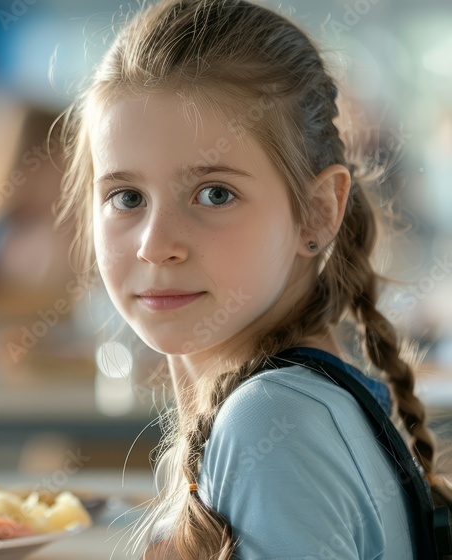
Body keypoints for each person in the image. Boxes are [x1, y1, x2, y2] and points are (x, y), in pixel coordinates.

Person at [55, 0, 449, 557]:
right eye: (127, 197)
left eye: (215, 193)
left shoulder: (270, 422)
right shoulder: (301, 404)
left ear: (316, 212)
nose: (154, 244)